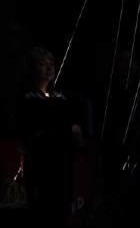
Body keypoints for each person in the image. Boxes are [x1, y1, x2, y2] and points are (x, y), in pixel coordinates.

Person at [12, 46, 88, 227]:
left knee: (61, 215)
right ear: (30, 69)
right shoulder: (26, 99)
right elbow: (34, 135)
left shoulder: (60, 97)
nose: (48, 67)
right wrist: (68, 134)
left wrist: (78, 143)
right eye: (41, 64)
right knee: (44, 215)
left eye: (51, 63)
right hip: (42, 169)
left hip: (63, 168)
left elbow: (68, 127)